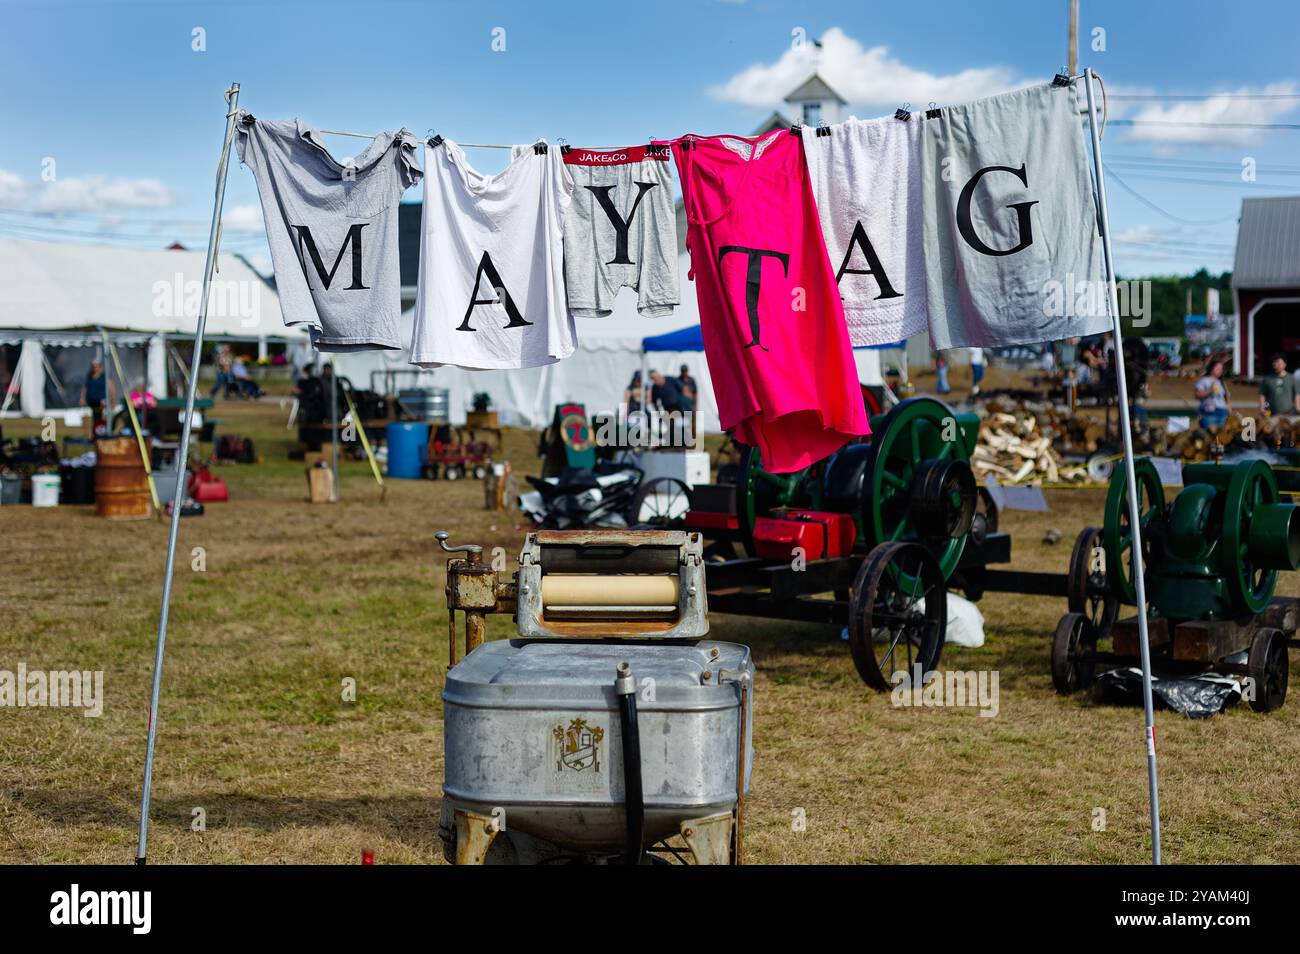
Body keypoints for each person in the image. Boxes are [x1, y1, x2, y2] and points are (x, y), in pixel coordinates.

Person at [1259, 352, 1299, 417]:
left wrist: (1298, 408)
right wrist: (1262, 408)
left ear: (1285, 364)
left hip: (1289, 414)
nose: (1275, 364)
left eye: (1278, 362)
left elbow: (1297, 396)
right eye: (1274, 362)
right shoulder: (1267, 379)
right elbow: (1262, 395)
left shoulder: (1292, 379)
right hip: (1271, 414)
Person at [1195, 359, 1232, 430]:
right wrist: (1210, 391)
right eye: (1217, 368)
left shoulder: (1221, 383)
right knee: (1209, 434)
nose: (1220, 370)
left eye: (1221, 369)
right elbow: (1197, 395)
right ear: (1211, 368)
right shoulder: (1204, 380)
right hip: (1210, 412)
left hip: (1223, 412)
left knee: (1221, 436)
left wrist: (1230, 412)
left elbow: (1226, 399)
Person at [80, 359, 112, 432]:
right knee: (95, 418)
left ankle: (102, 433)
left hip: (102, 402)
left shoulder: (104, 376)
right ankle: (95, 433)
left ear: (100, 367)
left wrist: (112, 399)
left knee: (102, 418)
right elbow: (85, 387)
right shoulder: (89, 376)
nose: (95, 368)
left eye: (96, 367)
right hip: (92, 402)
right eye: (93, 367)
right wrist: (82, 398)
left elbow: (111, 387)